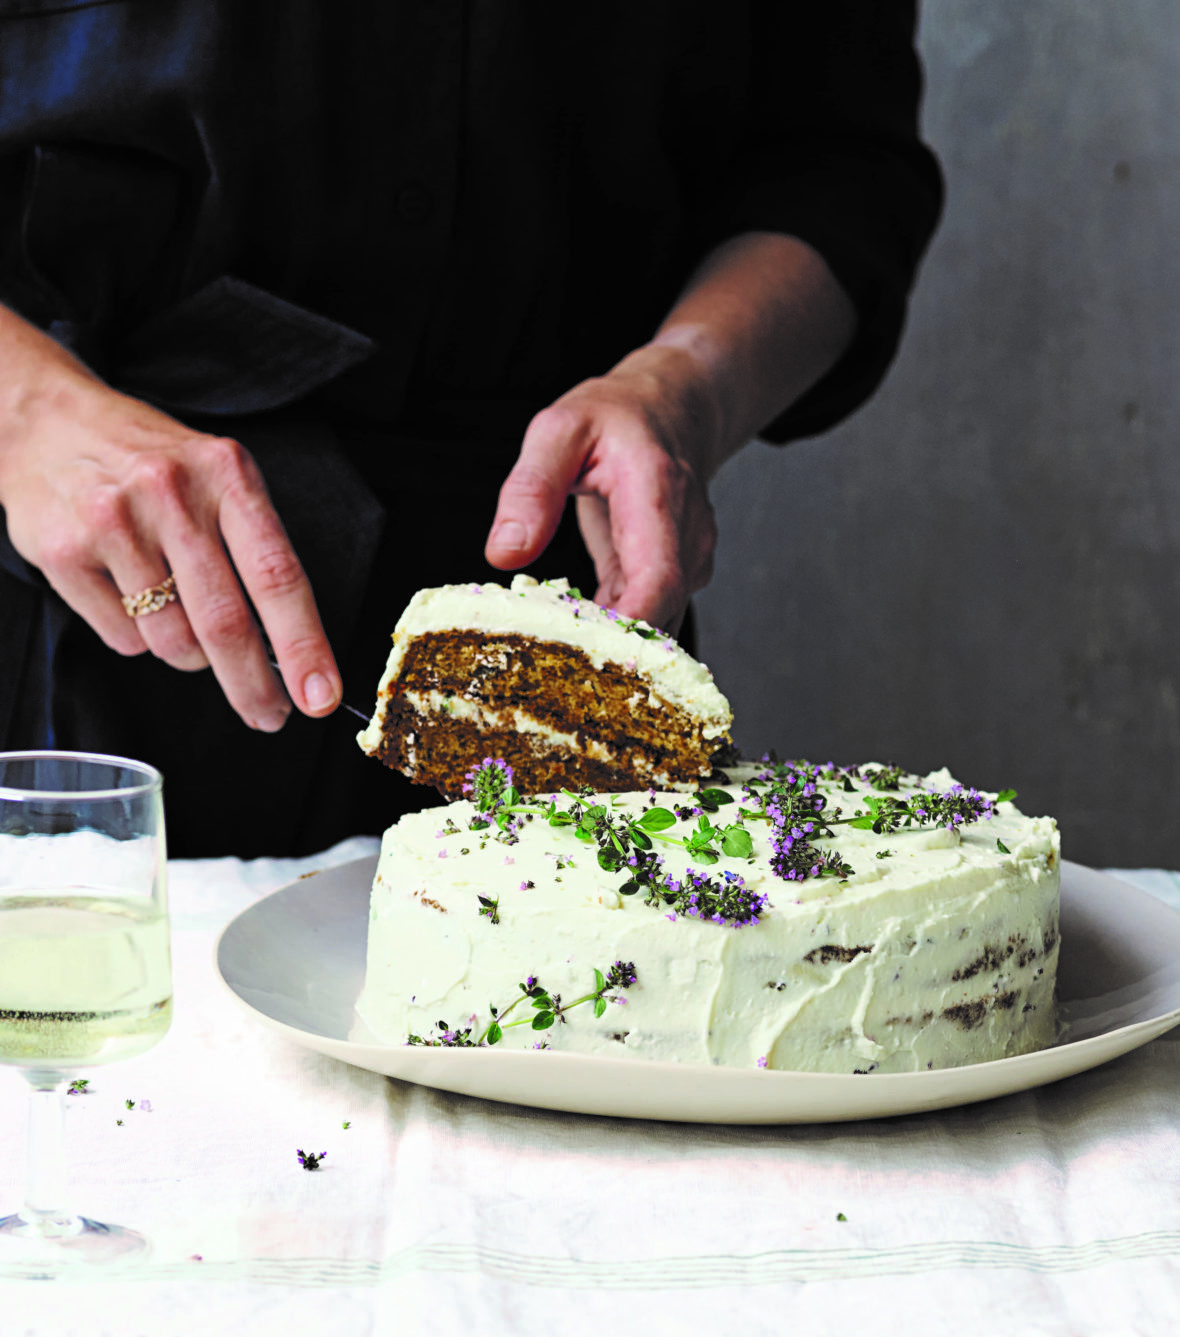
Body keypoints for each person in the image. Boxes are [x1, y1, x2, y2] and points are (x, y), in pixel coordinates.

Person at [0, 3, 942, 856]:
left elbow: (837, 163)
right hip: (60, 575)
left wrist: (687, 381)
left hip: (550, 595)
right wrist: (25, 410)